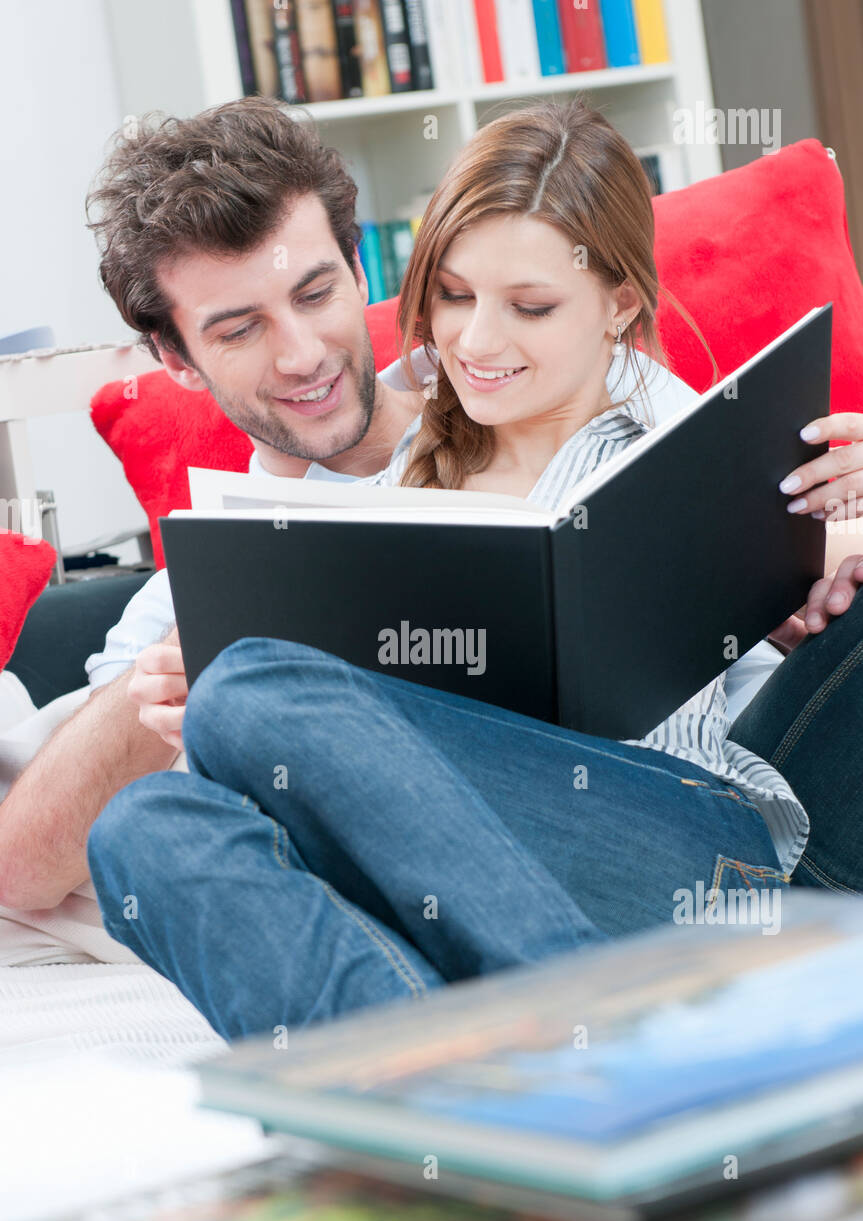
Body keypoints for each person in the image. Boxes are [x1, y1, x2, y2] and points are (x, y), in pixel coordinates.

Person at [85, 100, 863, 1040]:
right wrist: (185, 705)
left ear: (617, 302)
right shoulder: (386, 469)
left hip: (691, 847)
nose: (479, 343)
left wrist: (832, 537)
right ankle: (490, 1095)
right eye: (453, 297)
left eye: (530, 307)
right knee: (142, 831)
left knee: (252, 687)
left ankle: (583, 1050)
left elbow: (813, 566)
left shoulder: (697, 440)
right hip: (484, 884)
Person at [0, 96, 695, 913]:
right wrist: (203, 647)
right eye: (238, 330)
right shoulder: (211, 568)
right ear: (176, 359)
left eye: (314, 293)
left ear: (360, 272)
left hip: (689, 805)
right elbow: (21, 870)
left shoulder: (547, 375)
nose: (301, 355)